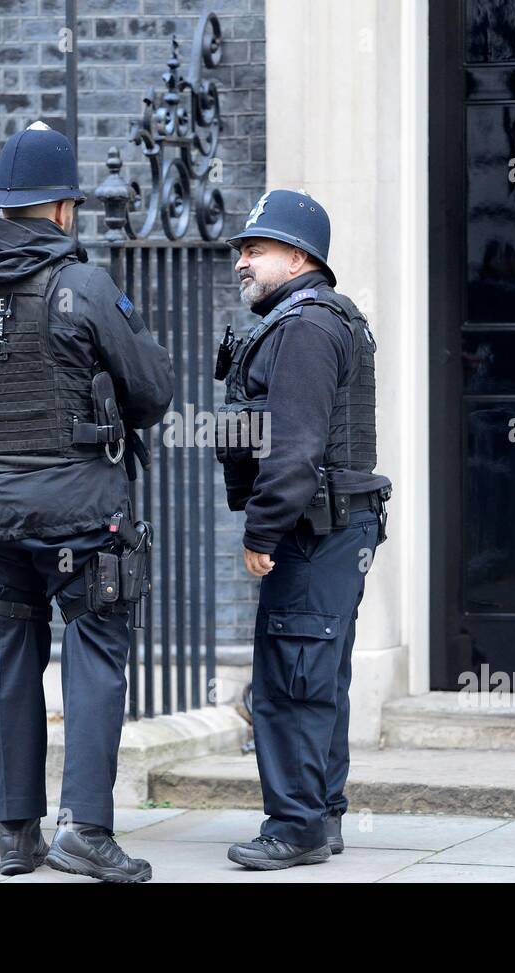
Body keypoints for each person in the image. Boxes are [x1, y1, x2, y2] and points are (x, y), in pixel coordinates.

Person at [0, 122, 173, 883]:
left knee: (8, 662)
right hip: (83, 514)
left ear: (6, 206)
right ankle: (88, 830)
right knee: (95, 659)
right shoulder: (84, 286)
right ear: (65, 208)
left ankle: (17, 836)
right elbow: (152, 391)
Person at [214, 189, 392, 870]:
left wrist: (261, 533)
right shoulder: (307, 319)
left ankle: (295, 827)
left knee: (291, 680)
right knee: (315, 674)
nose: (241, 261)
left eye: (255, 249)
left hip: (312, 532)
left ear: (297, 256)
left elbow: (292, 450)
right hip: (329, 529)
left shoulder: (306, 328)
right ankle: (321, 815)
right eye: (241, 249)